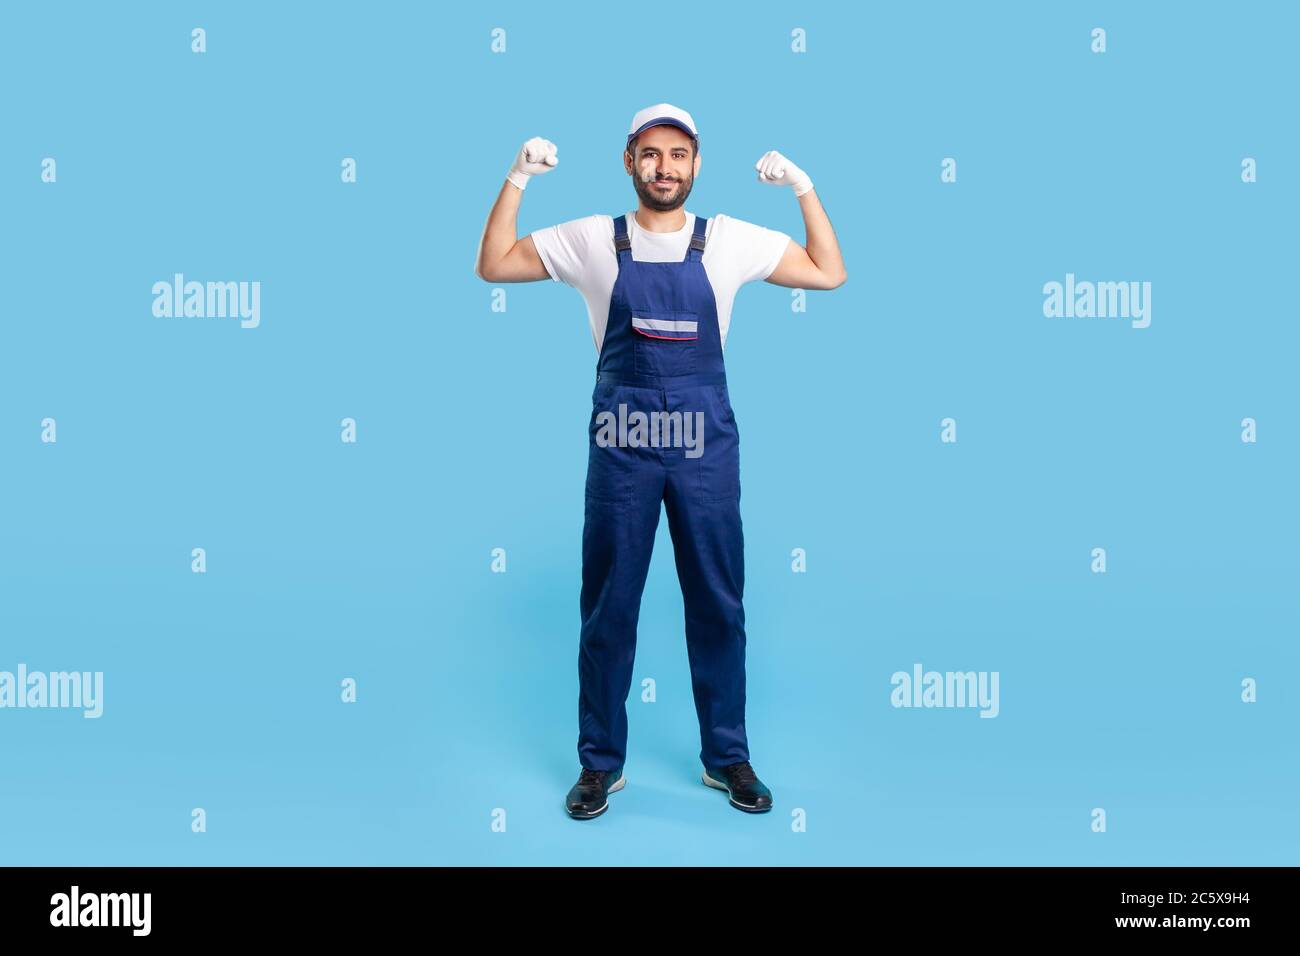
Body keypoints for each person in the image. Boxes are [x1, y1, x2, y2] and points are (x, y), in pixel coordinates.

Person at [475, 103, 846, 819]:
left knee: (718, 599)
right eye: (651, 154)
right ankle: (599, 765)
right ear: (629, 162)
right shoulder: (592, 239)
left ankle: (727, 757)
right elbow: (493, 263)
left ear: (696, 162)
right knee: (609, 606)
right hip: (623, 449)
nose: (664, 167)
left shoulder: (731, 241)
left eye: (678, 154)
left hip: (705, 450)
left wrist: (804, 186)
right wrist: (517, 177)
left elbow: (829, 272)